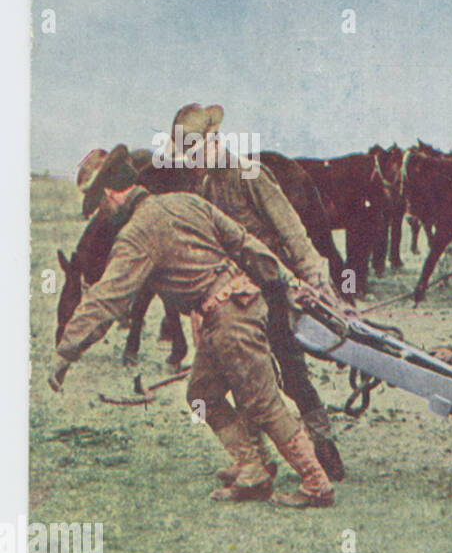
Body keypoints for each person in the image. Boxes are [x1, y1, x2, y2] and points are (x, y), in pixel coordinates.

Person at [48, 144, 335, 509]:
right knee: (201, 395)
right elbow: (245, 243)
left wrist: (66, 352)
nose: (101, 214)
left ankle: (315, 482)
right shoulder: (185, 202)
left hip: (231, 318)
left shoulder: (136, 235)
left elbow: (105, 299)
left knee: (263, 402)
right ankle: (253, 470)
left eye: (98, 205)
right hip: (233, 309)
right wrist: (286, 280)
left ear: (110, 195)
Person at [170, 103, 347, 481]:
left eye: (195, 153)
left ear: (214, 141)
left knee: (293, 374)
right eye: (187, 157)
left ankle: (325, 448)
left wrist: (316, 282)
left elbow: (292, 231)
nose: (192, 163)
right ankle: (255, 460)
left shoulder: (250, 173)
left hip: (275, 291)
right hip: (236, 297)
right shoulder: (205, 186)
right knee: (239, 376)